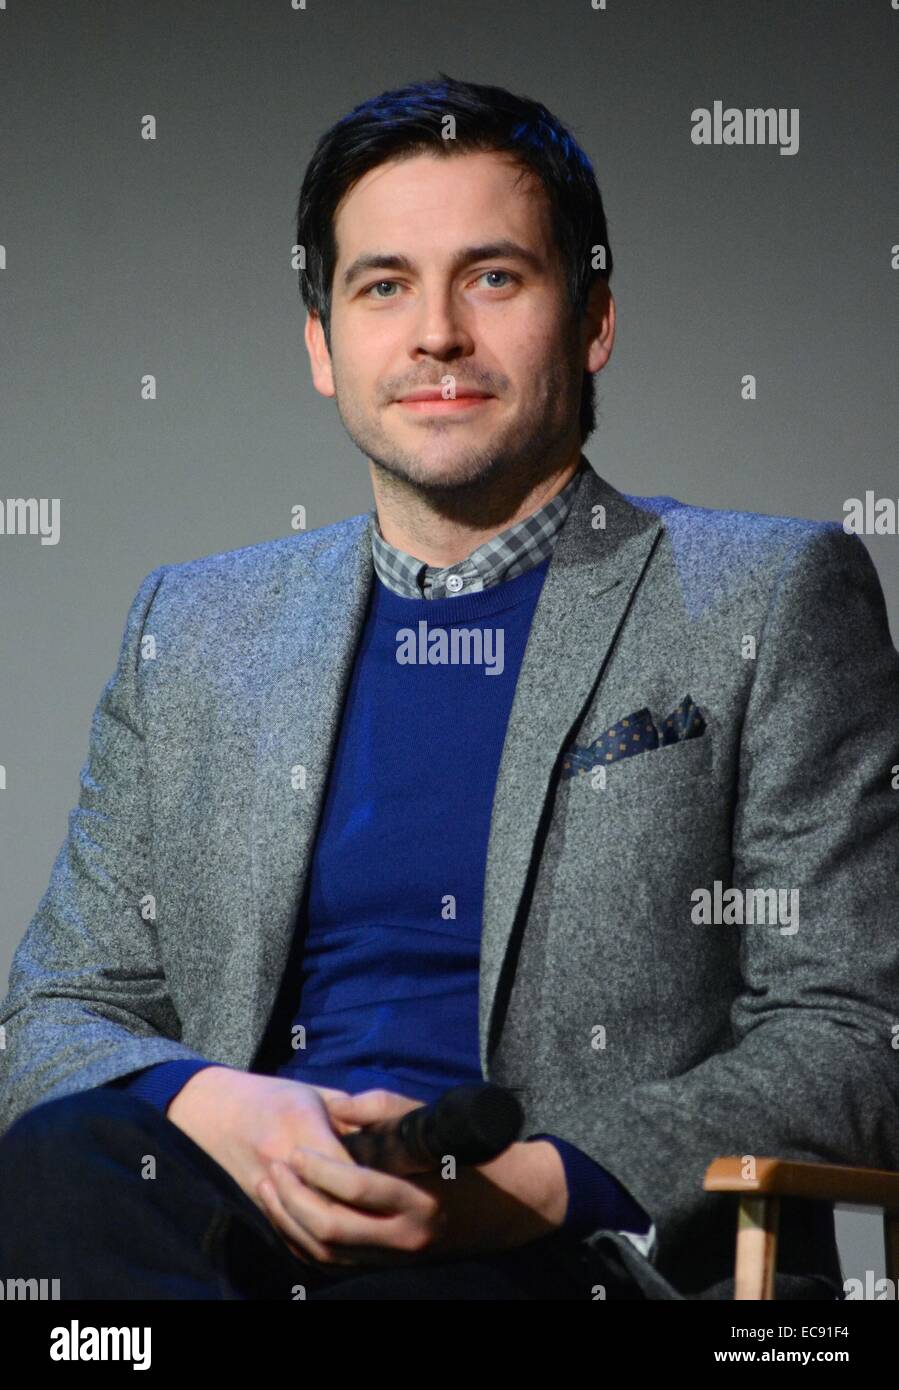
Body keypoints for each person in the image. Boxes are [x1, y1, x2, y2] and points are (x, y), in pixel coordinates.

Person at [1, 72, 897, 1301]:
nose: (435, 334)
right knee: (56, 1166)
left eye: (492, 276)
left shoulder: (764, 595)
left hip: (563, 1256)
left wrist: (530, 1186)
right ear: (323, 346)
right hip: (237, 1231)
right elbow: (53, 1014)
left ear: (590, 322)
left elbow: (852, 1033)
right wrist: (229, 1111)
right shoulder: (196, 626)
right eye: (382, 286)